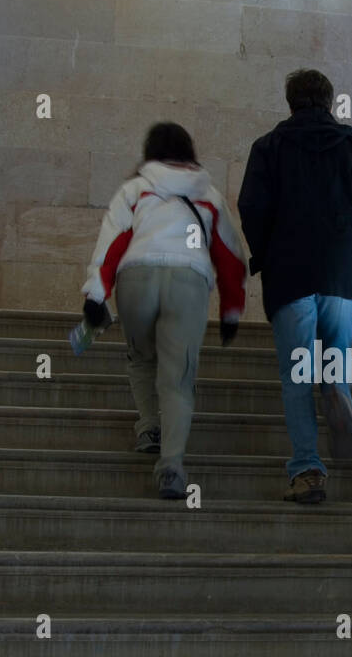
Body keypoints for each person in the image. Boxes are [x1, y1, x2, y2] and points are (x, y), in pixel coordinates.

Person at [238, 69, 352, 505]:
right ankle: (339, 393)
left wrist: (268, 251)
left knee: (296, 374)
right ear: (329, 101)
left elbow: (252, 206)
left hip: (290, 274)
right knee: (334, 359)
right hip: (340, 273)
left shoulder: (268, 148)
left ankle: (307, 470)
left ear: (290, 102)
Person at [81, 122, 247, 499]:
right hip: (188, 280)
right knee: (178, 376)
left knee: (141, 357)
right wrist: (231, 311)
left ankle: (149, 428)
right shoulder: (209, 194)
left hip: (137, 277)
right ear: (189, 151)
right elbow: (231, 256)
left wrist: (96, 293)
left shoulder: (135, 189)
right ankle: (171, 465)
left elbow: (113, 242)